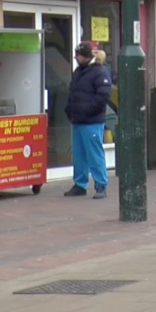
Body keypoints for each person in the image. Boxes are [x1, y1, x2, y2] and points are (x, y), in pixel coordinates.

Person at [64, 42, 112, 199]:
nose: (76, 58)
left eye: (79, 55)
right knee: (79, 154)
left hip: (91, 120)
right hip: (79, 119)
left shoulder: (100, 71)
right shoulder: (79, 71)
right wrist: (70, 110)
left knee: (94, 154)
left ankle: (100, 185)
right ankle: (80, 184)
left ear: (86, 56)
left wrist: (86, 110)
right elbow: (73, 93)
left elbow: (103, 96)